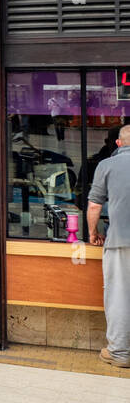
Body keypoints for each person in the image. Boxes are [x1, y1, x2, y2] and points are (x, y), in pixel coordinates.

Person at [87, 123, 130, 369]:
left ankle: (120, 353)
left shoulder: (107, 165)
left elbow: (94, 205)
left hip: (121, 242)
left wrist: (94, 233)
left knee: (119, 297)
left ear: (118, 143)